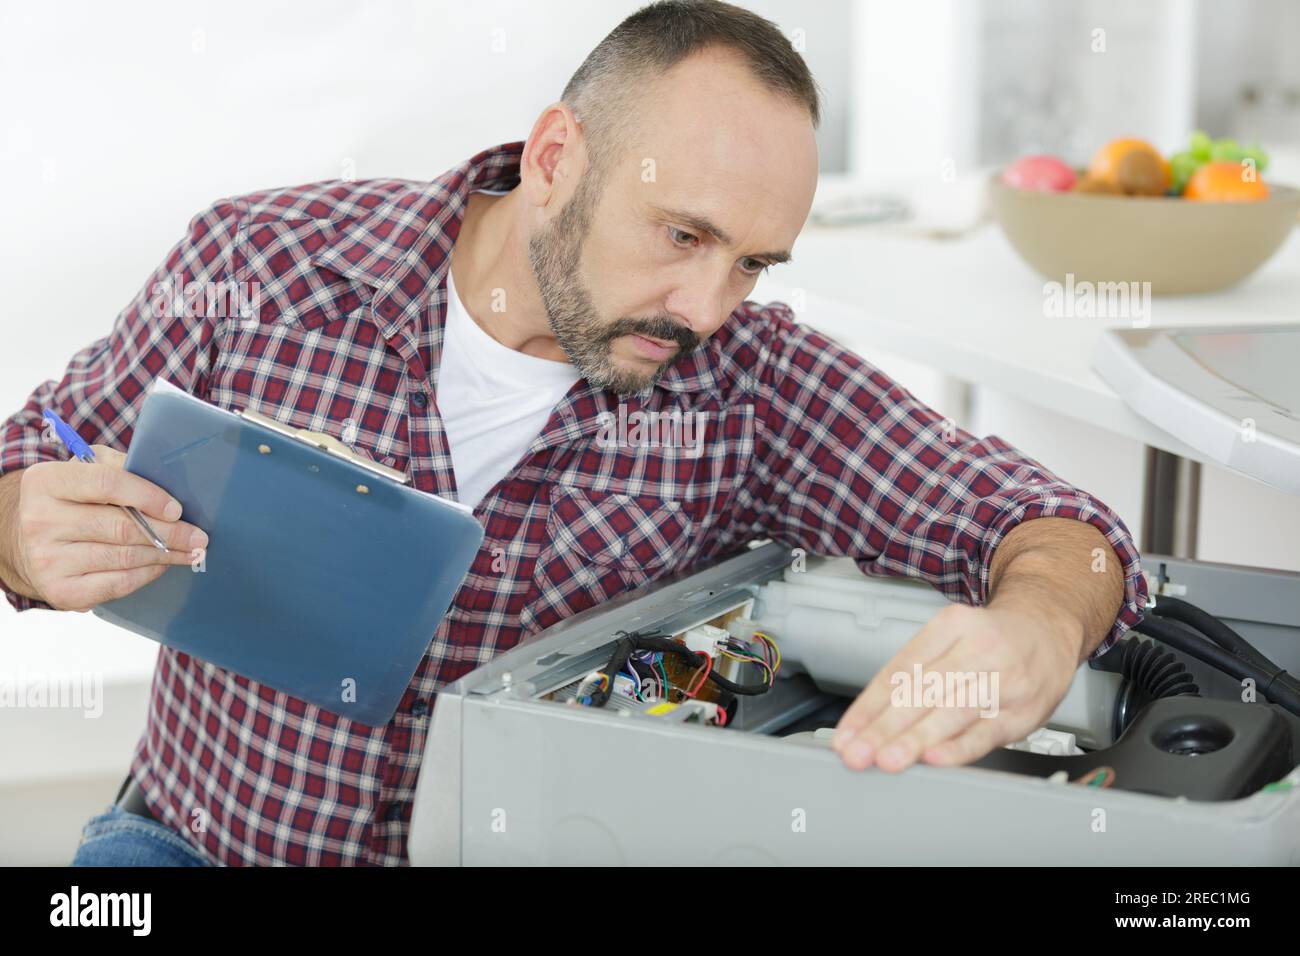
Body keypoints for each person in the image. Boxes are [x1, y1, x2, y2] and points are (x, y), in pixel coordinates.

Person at [0, 0, 1145, 866]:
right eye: (682, 233)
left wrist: (1039, 624)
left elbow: (1066, 532)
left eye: (751, 261)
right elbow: (26, 460)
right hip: (189, 847)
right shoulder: (258, 266)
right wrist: (20, 528)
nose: (706, 306)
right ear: (555, 159)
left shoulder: (752, 381)